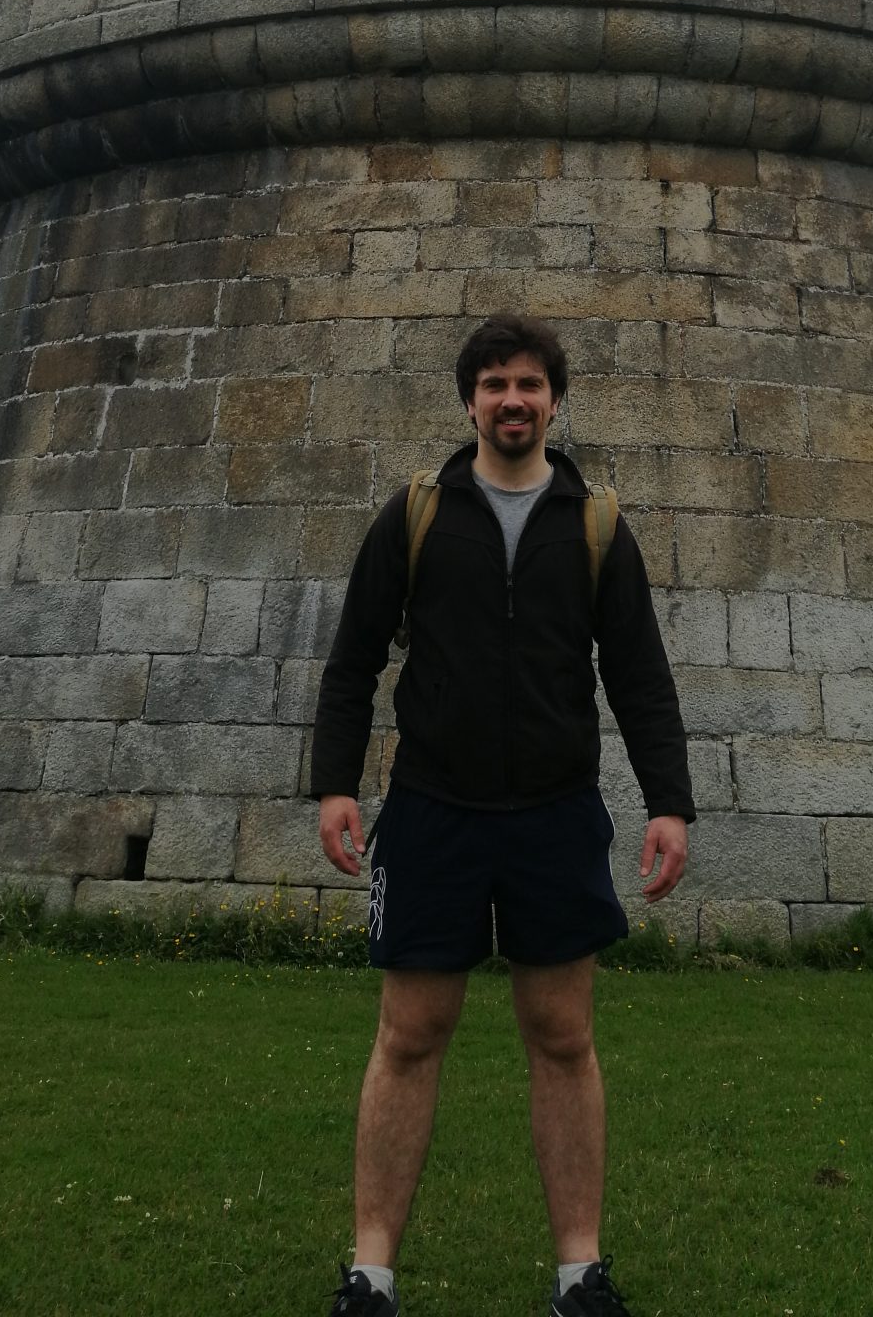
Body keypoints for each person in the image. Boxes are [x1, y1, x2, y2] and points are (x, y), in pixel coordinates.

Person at [311, 315, 694, 1317]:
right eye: (493, 384)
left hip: (556, 813)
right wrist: (337, 782)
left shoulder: (598, 521)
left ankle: (580, 1272)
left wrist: (669, 802)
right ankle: (371, 1271)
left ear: (555, 399)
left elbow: (640, 675)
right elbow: (354, 657)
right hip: (434, 807)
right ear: (469, 400)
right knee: (409, 1030)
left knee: (563, 1031)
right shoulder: (416, 513)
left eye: (528, 383)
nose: (511, 400)